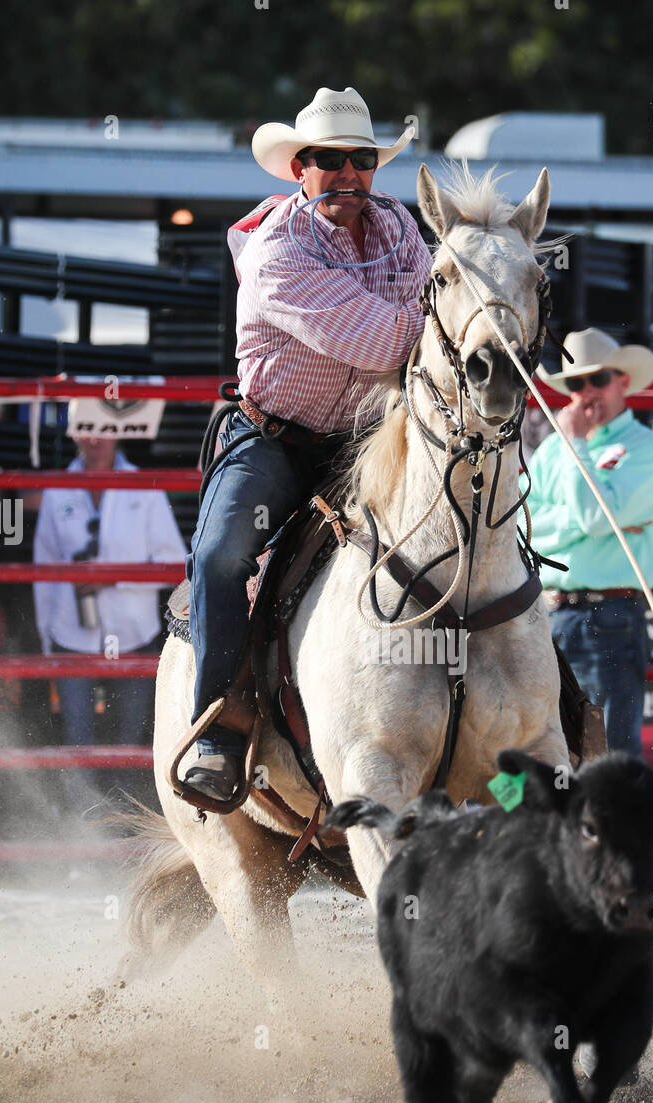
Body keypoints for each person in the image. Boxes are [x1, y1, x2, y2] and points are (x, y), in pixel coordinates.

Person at [182, 85, 433, 803]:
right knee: (223, 553)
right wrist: (453, 339)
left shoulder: (400, 228)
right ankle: (217, 726)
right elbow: (383, 338)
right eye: (331, 159)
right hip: (276, 441)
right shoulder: (274, 252)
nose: (349, 173)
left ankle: (512, 715)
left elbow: (418, 320)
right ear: (300, 168)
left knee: (465, 534)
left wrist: (445, 336)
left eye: (361, 159)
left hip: (369, 435)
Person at [528, 329, 653, 756]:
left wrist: (588, 515)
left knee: (605, 750)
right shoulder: (554, 450)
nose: (587, 391)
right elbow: (524, 524)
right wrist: (598, 521)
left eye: (598, 379)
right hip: (545, 614)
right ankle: (542, 825)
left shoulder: (648, 451)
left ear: (623, 381)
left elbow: (593, 517)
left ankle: (609, 824)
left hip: (608, 617)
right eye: (577, 383)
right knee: (535, 743)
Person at [32, 435, 187, 761]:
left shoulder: (144, 487)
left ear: (117, 431)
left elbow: (174, 563)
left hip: (132, 632)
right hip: (71, 634)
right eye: (86, 428)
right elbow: (44, 570)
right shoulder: (57, 488)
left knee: (129, 743)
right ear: (73, 431)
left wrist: (112, 577)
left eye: (101, 428)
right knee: (77, 741)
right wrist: (48, 642)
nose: (94, 438)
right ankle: (79, 812)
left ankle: (121, 812)